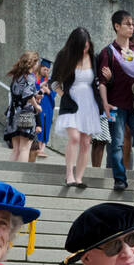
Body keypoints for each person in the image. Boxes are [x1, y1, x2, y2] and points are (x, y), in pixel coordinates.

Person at [96, 10, 134, 192]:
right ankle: (120, 179)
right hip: (115, 105)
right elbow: (102, 82)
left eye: (133, 24)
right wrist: (105, 104)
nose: (131, 27)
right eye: (127, 24)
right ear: (117, 26)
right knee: (116, 144)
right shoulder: (108, 52)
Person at [52, 27, 99, 189]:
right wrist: (62, 94)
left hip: (89, 103)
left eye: (87, 46)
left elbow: (99, 81)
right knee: (74, 138)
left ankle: (79, 178)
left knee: (86, 142)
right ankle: (69, 175)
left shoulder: (93, 58)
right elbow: (54, 80)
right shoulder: (64, 56)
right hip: (71, 102)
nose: (85, 49)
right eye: (82, 47)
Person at [4, 51, 42, 163]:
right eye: (37, 63)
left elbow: (20, 94)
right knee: (25, 148)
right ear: (33, 63)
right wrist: (37, 105)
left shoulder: (17, 76)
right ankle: (19, 176)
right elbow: (27, 94)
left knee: (16, 149)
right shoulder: (30, 77)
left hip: (13, 114)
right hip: (25, 113)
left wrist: (35, 96)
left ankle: (10, 175)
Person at [35, 58, 54, 157]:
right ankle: (39, 147)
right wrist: (40, 88)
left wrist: (48, 91)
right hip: (39, 106)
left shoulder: (51, 80)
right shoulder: (35, 78)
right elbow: (33, 89)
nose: (46, 71)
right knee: (40, 124)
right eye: (44, 69)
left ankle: (43, 148)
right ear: (40, 68)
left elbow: (54, 93)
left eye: (47, 70)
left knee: (47, 126)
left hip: (48, 106)